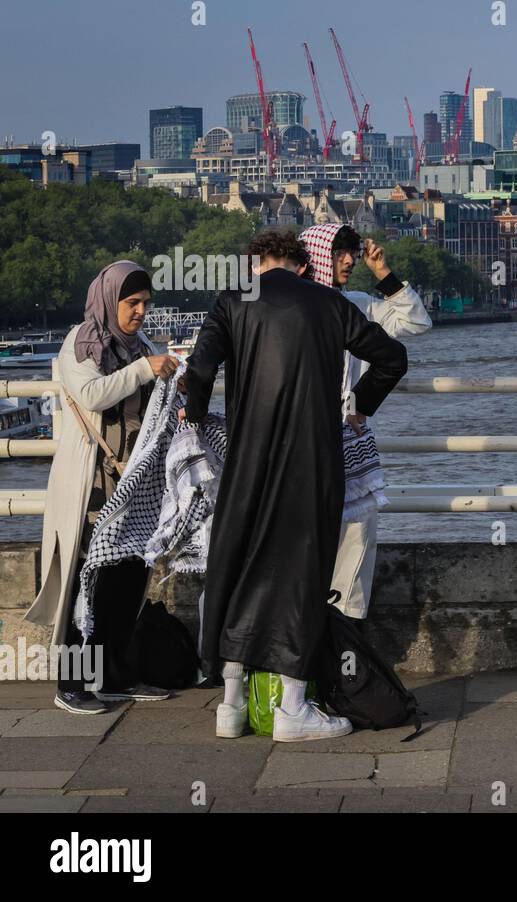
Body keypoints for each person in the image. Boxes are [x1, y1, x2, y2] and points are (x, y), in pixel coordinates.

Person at [184, 245, 408, 742]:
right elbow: (393, 357)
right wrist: (361, 403)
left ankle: (231, 704)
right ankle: (292, 706)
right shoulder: (328, 303)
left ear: (253, 264)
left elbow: (198, 372)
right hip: (313, 461)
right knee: (303, 576)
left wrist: (196, 414)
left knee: (241, 566)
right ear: (304, 266)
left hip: (248, 462)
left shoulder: (232, 299)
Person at [27, 261, 178, 714]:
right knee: (85, 587)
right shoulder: (82, 342)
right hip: (91, 489)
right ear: (108, 300)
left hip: (130, 491)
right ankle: (71, 684)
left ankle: (114, 675)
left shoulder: (142, 345)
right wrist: (147, 370)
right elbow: (93, 394)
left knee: (126, 585)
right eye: (131, 303)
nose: (140, 312)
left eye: (146, 304)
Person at [299, 223, 432, 621]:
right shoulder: (291, 309)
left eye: (352, 252)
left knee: (356, 538)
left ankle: (347, 635)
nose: (349, 260)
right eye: (339, 252)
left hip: (348, 436)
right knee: (305, 543)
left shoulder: (356, 305)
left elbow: (415, 323)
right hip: (302, 438)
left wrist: (382, 273)